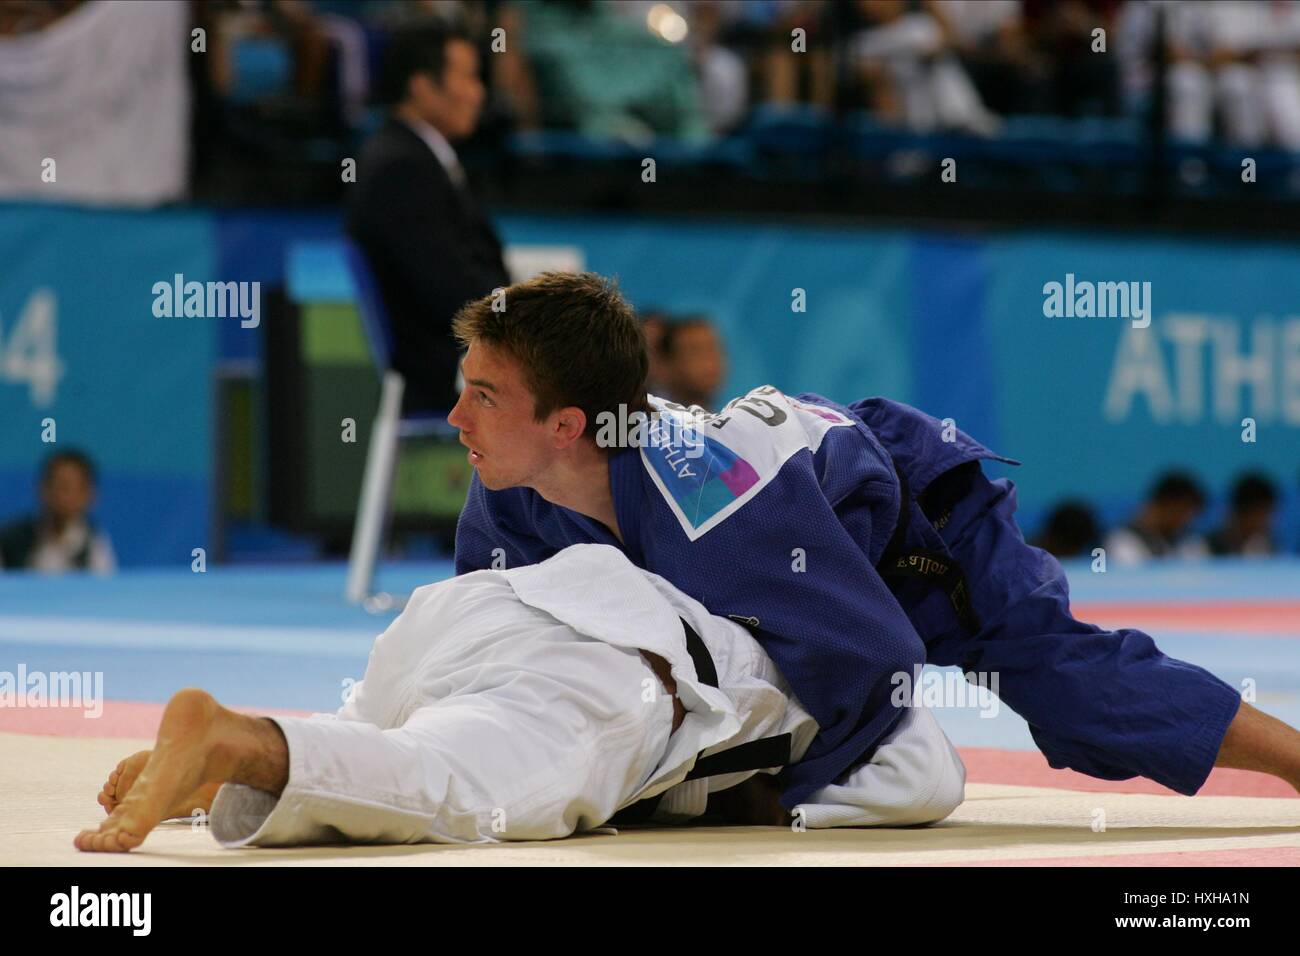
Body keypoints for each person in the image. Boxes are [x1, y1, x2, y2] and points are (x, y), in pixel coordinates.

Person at [450, 271, 1300, 811]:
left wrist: (765, 792)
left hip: (916, 523)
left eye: (482, 397)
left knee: (1064, 679)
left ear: (566, 425)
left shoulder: (715, 513)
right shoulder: (510, 496)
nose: (455, 420)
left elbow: (878, 655)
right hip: (806, 526)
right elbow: (495, 650)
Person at [76, 544, 965, 851]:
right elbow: (928, 782)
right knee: (442, 786)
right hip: (610, 683)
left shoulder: (752, 558)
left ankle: (221, 776)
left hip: (476, 607)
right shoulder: (869, 682)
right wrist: (778, 804)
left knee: (380, 730)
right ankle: (234, 743)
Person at [345, 23, 509, 413]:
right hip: (436, 375)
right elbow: (451, 292)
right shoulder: (401, 169)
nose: (478, 94)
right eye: (468, 78)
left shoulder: (415, 157)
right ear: (422, 86)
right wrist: (529, 319)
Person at [0, 449, 116, 574]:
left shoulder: (94, 544)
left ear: (89, 494)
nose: (62, 497)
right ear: (42, 489)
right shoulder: (10, 540)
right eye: (58, 486)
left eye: (70, 488)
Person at [1103, 470, 1209, 566]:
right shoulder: (1122, 541)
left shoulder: (1188, 542)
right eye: (1184, 511)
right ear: (1164, 505)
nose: (1188, 519)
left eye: (1193, 514)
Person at [1207, 472, 1279, 557]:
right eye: (1264, 513)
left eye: (1270, 512)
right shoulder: (1204, 548)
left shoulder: (1265, 547)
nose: (1269, 520)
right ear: (1241, 511)